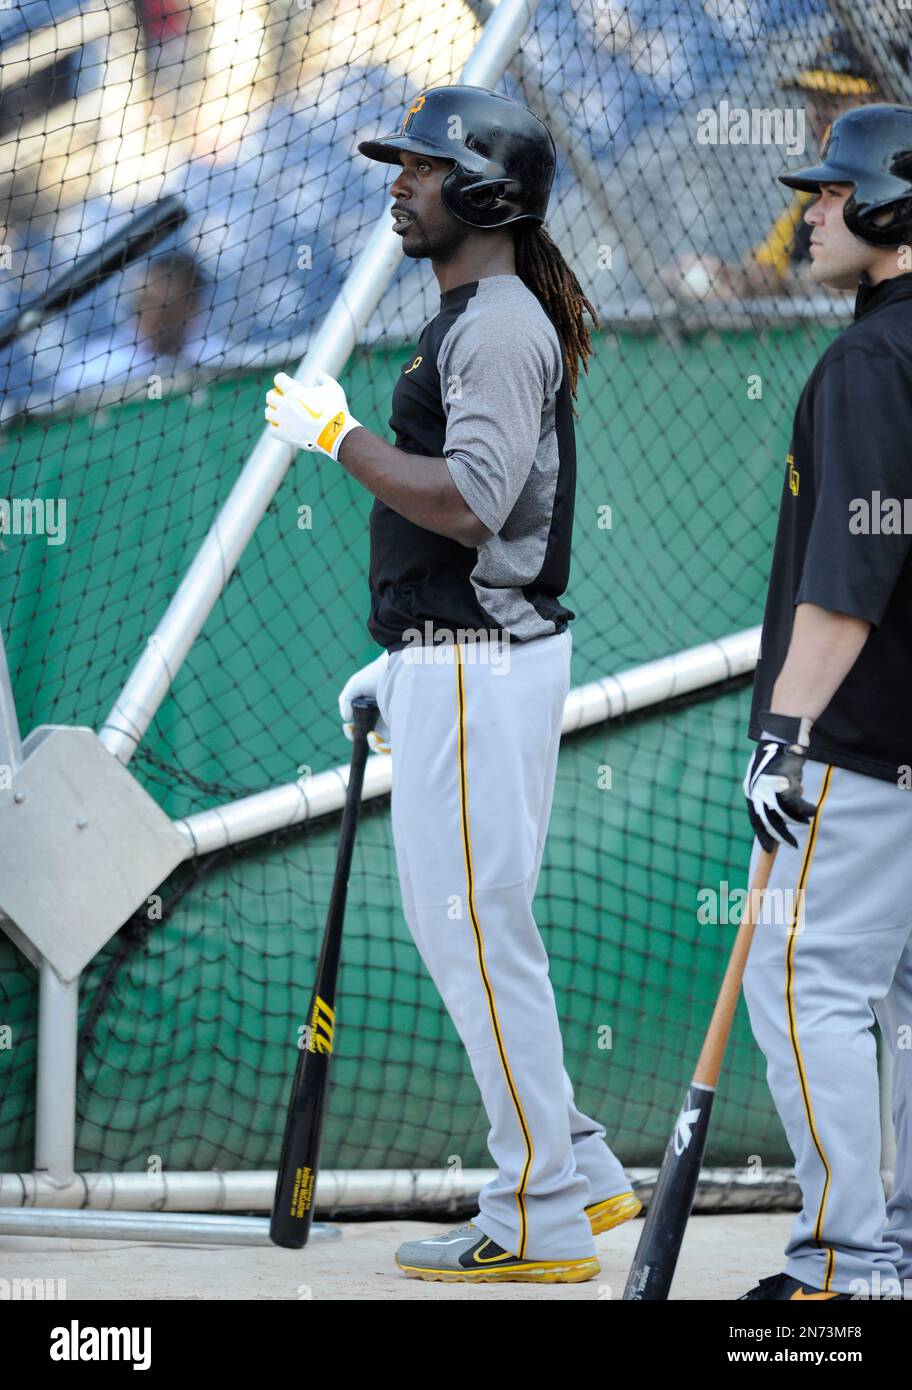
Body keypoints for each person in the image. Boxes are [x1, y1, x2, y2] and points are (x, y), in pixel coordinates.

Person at [263, 84, 640, 1284]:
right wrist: (399, 655)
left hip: (482, 668)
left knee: (479, 936)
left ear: (482, 192)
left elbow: (471, 504)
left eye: (422, 167)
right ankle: (578, 1164)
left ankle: (536, 1213)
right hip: (462, 662)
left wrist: (336, 438)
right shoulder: (477, 315)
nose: (399, 181)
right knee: (480, 933)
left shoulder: (497, 322)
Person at [739, 103, 912, 1300]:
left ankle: (848, 1269)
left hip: (859, 745)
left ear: (893, 210)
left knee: (800, 982)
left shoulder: (869, 359)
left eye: (831, 193)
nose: (809, 211)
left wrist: (786, 733)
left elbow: (849, 581)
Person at [668, 28, 882, 303]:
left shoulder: (897, 189)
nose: (818, 114)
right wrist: (727, 276)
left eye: (835, 101)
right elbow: (768, 268)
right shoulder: (814, 190)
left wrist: (811, 280)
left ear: (881, 100)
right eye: (814, 100)